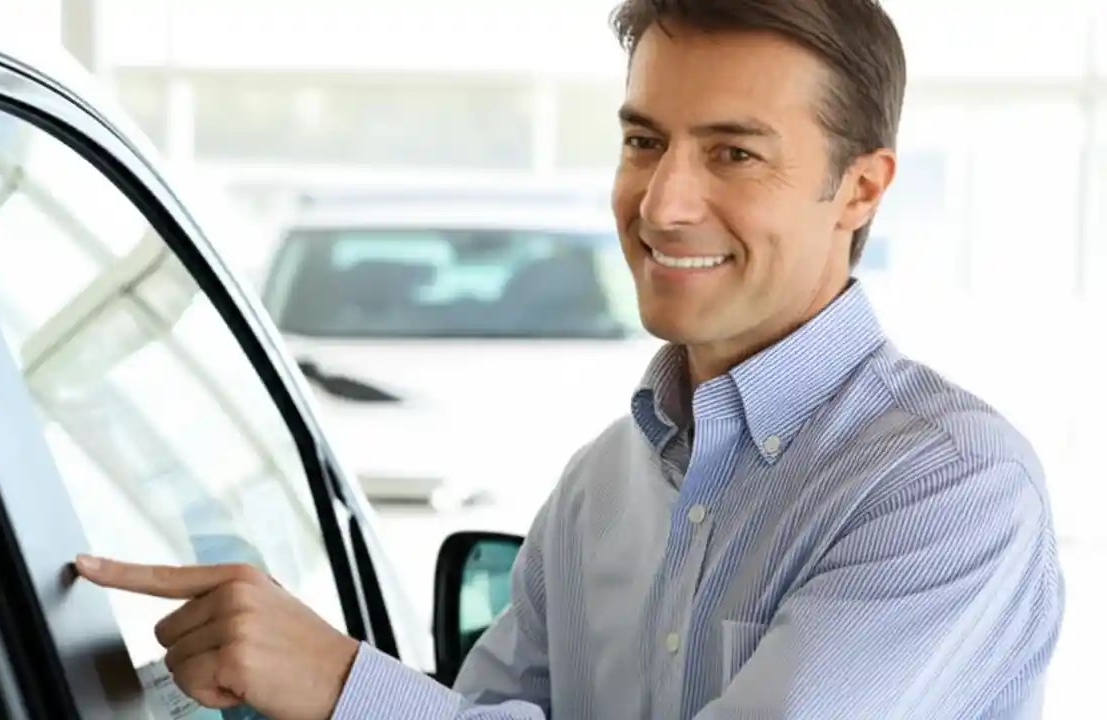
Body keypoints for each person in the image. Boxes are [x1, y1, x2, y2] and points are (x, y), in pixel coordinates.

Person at [76, 0, 1065, 717]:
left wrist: (342, 687)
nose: (661, 202)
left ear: (858, 189)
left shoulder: (943, 488)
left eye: (732, 153)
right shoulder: (600, 485)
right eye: (643, 141)